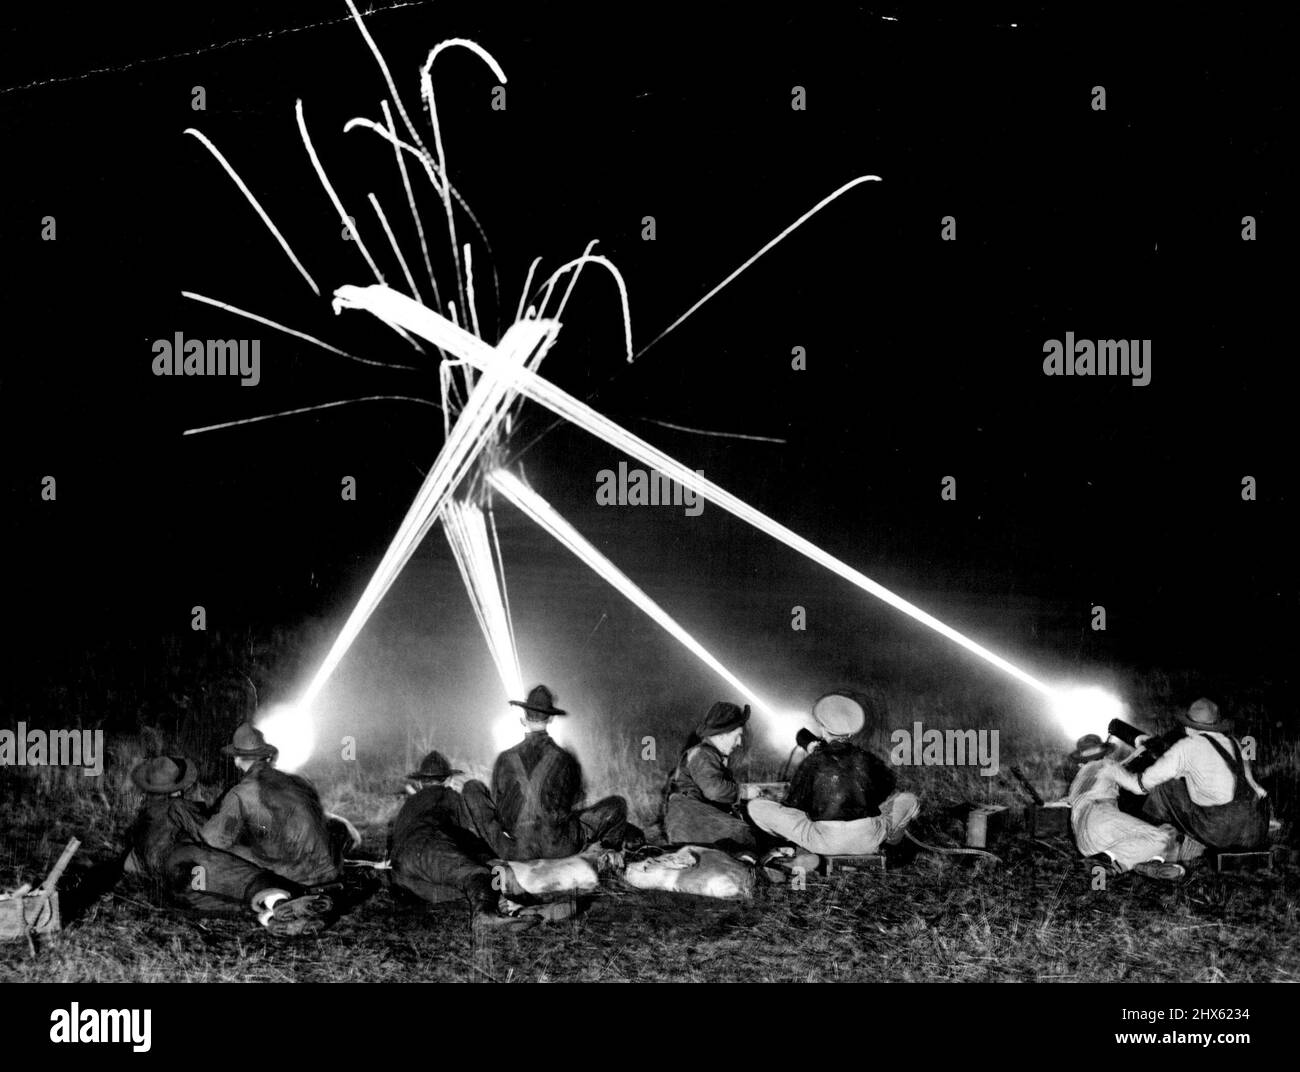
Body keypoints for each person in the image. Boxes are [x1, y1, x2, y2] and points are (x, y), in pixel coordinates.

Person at [124, 755, 337, 936]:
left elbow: (132, 862)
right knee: (240, 876)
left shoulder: (143, 818)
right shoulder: (177, 806)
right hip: (189, 861)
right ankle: (282, 902)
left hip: (172, 890)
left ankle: (272, 919)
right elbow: (211, 837)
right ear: (177, 789)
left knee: (231, 899)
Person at [748, 692, 919, 857]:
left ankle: (787, 845)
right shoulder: (867, 757)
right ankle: (891, 845)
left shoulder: (814, 760)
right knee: (909, 799)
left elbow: (794, 803)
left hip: (825, 841)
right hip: (868, 838)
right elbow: (887, 786)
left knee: (755, 807)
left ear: (823, 729)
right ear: (850, 733)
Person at [1109, 698, 1270, 860]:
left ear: (1189, 726)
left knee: (1164, 786)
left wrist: (1114, 771)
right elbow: (1255, 787)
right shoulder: (1234, 743)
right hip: (1253, 830)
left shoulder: (1187, 746)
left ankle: (1155, 844)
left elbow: (1140, 786)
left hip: (1221, 833)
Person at [389, 750, 533, 930]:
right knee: (479, 874)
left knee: (461, 886)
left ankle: (500, 905)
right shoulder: (449, 796)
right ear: (448, 780)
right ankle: (485, 915)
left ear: (420, 782)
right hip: (429, 848)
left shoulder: (409, 804)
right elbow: (470, 834)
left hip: (401, 876)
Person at [491, 685, 636, 860]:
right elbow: (577, 801)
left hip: (518, 848)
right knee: (617, 804)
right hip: (558, 846)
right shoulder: (565, 758)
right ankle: (607, 861)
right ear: (550, 718)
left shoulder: (504, 758)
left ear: (525, 717)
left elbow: (497, 807)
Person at [201, 722, 344, 886]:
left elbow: (215, 840)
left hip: (295, 877)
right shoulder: (297, 782)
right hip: (328, 869)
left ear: (237, 759)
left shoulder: (242, 793)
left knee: (224, 852)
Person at [1058, 735, 1184, 881]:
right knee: (1163, 837)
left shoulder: (1078, 778)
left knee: (1141, 839)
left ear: (1082, 760)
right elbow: (1138, 787)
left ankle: (1136, 864)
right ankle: (1112, 862)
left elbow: (1068, 802)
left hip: (1084, 843)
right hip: (1101, 818)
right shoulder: (1107, 765)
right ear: (1104, 752)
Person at [664, 700, 757, 850]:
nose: (739, 742)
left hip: (691, 817)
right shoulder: (702, 754)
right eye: (737, 736)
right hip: (688, 819)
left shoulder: (709, 754)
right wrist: (743, 792)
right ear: (721, 735)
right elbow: (713, 790)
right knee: (743, 834)